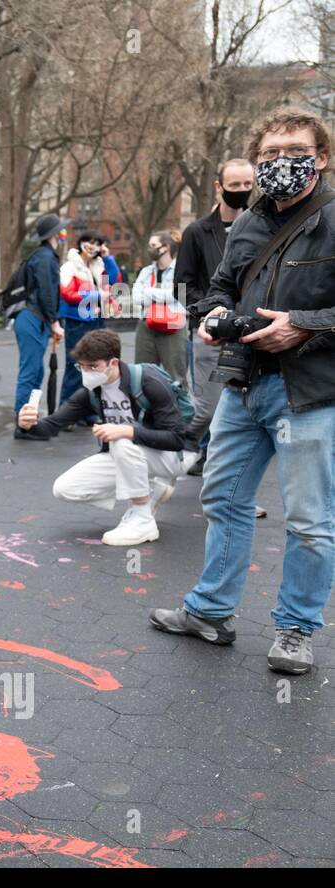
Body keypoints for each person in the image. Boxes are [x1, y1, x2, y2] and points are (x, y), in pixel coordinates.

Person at [151, 108, 335, 676]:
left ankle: (296, 629)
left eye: (295, 150)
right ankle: (210, 611)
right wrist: (211, 318)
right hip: (243, 383)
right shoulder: (249, 222)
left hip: (309, 392)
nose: (282, 162)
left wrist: (304, 323)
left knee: (308, 520)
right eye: (270, 155)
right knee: (222, 500)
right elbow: (218, 289)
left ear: (322, 157)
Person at [17, 329, 191, 546]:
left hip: (166, 459)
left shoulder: (148, 382)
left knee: (120, 439)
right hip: (127, 455)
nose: (87, 372)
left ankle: (142, 518)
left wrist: (128, 431)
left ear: (113, 362)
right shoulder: (92, 392)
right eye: (82, 366)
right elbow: (52, 425)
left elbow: (176, 439)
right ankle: (148, 491)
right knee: (65, 489)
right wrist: (27, 424)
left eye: (93, 366)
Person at [174, 158, 256, 475]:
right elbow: (181, 287)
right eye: (234, 185)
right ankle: (169, 444)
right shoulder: (197, 232)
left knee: (241, 409)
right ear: (219, 186)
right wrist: (209, 311)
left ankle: (217, 459)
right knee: (207, 407)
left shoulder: (264, 228)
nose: (241, 191)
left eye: (247, 185)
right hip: (209, 333)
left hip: (250, 334)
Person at [12, 214, 67, 440]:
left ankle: (29, 420)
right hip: (34, 319)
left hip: (35, 319)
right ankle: (22, 423)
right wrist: (55, 322)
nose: (64, 234)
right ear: (55, 235)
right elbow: (46, 292)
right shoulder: (45, 258)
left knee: (37, 371)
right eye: (62, 231)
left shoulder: (45, 256)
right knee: (30, 372)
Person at [58, 229, 110, 409]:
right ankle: (67, 410)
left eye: (98, 244)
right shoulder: (70, 267)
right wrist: (95, 295)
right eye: (90, 242)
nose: (93, 247)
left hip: (96, 320)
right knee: (75, 365)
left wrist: (108, 258)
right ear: (82, 242)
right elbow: (67, 293)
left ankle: (88, 411)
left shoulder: (98, 266)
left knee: (95, 366)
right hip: (77, 320)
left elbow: (114, 281)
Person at [131, 230, 189, 385]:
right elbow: (136, 297)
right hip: (146, 325)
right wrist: (164, 295)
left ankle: (179, 408)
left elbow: (177, 295)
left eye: (153, 245)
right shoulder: (146, 271)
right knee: (143, 373)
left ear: (166, 247)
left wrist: (149, 292)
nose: (150, 249)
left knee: (176, 376)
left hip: (173, 326)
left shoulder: (181, 270)